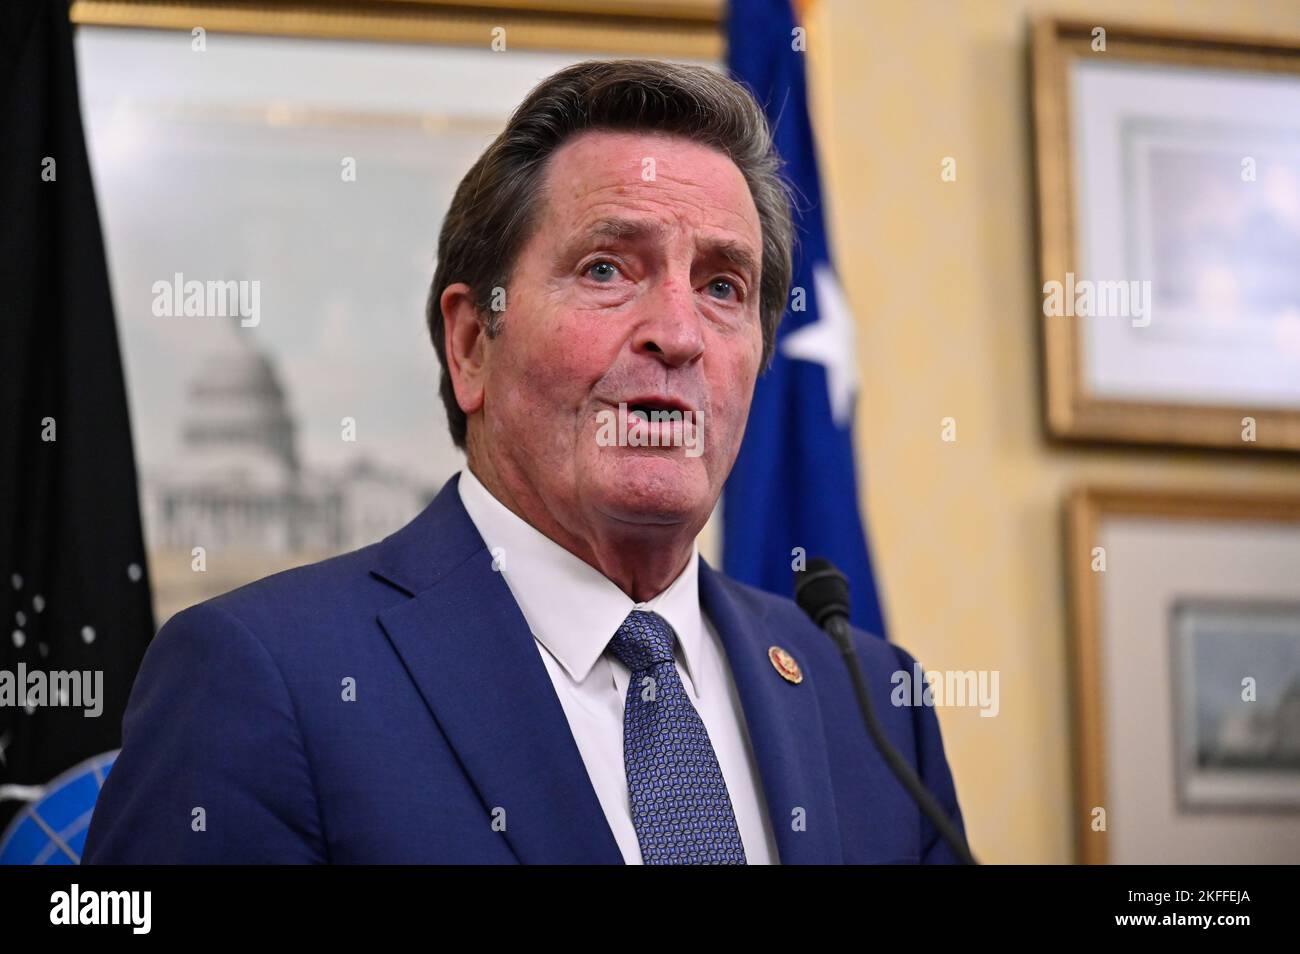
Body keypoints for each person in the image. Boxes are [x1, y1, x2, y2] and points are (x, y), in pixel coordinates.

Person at [84, 59, 965, 864]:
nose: (680, 333)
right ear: (471, 344)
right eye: (607, 269)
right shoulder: (260, 678)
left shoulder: (876, 706)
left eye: (722, 286)